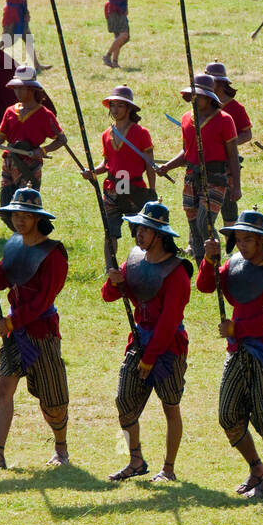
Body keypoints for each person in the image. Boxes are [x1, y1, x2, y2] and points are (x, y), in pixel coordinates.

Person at [198, 210, 263, 501]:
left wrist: (237, 328)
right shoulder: (234, 265)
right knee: (228, 415)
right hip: (237, 352)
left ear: (262, 241)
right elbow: (206, 286)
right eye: (238, 239)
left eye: (248, 240)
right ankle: (256, 467)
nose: (242, 245)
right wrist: (209, 259)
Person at [0, 189, 70, 469]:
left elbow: (43, 301)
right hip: (16, 335)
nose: (19, 221)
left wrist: (12, 322)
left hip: (41, 334)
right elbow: (1, 281)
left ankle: (61, 449)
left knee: (53, 399)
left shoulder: (54, 255)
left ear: (37, 219)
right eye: (15, 215)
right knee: (3, 388)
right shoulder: (14, 244)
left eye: (25, 216)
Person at [102, 201, 193, 483]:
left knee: (170, 405)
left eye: (146, 230)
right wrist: (113, 281)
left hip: (167, 349)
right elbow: (110, 295)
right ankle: (136, 460)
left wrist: (151, 357)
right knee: (124, 401)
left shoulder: (177, 272)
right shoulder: (133, 260)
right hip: (139, 342)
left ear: (160, 235)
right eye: (138, 228)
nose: (139, 234)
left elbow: (168, 321)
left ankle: (168, 468)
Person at [0, 66, 67, 223]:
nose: (17, 92)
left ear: (32, 89)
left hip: (30, 165)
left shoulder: (45, 115)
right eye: (15, 88)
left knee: (27, 207)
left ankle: (33, 235)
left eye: (21, 88)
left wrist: (43, 150)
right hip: (9, 163)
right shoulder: (10, 112)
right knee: (6, 206)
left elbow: (61, 139)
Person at [158, 74, 240, 263]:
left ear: (210, 97)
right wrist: (168, 166)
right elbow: (187, 151)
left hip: (216, 178)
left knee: (205, 223)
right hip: (191, 178)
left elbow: (233, 156)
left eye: (199, 96)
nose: (195, 99)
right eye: (193, 95)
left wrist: (236, 185)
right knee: (194, 226)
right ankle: (202, 269)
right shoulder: (187, 118)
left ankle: (216, 265)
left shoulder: (225, 120)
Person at [83, 86, 157, 253]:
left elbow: (149, 165)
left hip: (135, 190)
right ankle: (110, 269)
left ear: (129, 108)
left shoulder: (142, 133)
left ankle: (144, 265)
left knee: (141, 234)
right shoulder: (106, 134)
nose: (115, 110)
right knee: (110, 233)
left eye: (120, 105)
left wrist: (152, 190)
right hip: (111, 190)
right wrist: (92, 172)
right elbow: (106, 164)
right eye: (113, 105)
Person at [204, 61, 251, 225]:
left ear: (222, 83)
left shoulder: (236, 108)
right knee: (200, 202)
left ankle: (230, 243)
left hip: (228, 163)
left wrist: (228, 143)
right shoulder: (203, 106)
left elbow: (247, 134)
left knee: (228, 206)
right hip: (207, 161)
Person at [0, 0, 41, 70]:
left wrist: (26, 11)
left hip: (21, 13)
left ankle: (36, 65)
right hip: (12, 15)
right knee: (6, 41)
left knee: (28, 39)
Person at [100, 0, 130, 69]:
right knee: (124, 35)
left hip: (121, 8)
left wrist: (126, 6)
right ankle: (107, 56)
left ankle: (115, 61)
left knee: (119, 37)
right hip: (113, 9)